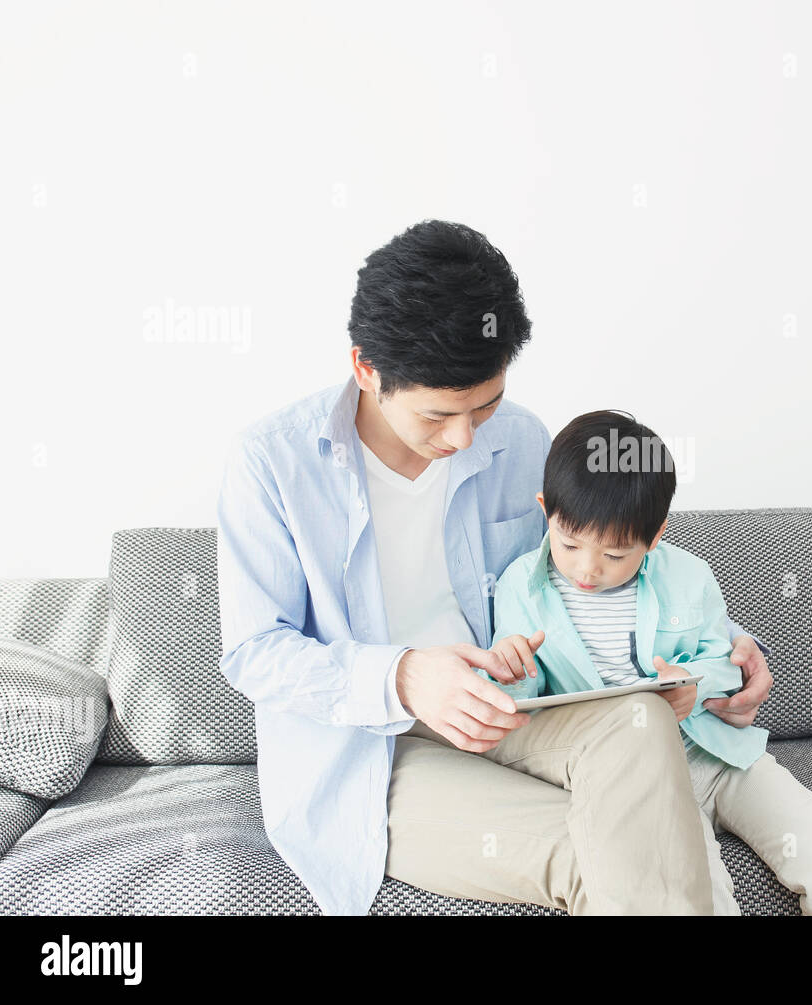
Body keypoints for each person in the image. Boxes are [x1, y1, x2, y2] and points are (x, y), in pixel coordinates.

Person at [216, 219, 775, 915]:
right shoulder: (271, 463)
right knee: (615, 852)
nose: (463, 437)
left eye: (485, 405)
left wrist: (723, 645)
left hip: (525, 704)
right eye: (438, 415)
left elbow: (583, 569)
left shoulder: (521, 438)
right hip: (376, 747)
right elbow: (254, 651)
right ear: (366, 368)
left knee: (642, 719)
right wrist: (405, 676)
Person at [483, 410, 812, 916]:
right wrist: (511, 672)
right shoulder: (519, 588)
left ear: (654, 536)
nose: (588, 569)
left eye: (615, 555)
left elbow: (725, 660)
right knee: (700, 891)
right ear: (545, 511)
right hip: (642, 781)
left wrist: (692, 686)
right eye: (570, 544)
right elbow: (528, 709)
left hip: (720, 756)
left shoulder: (688, 575)